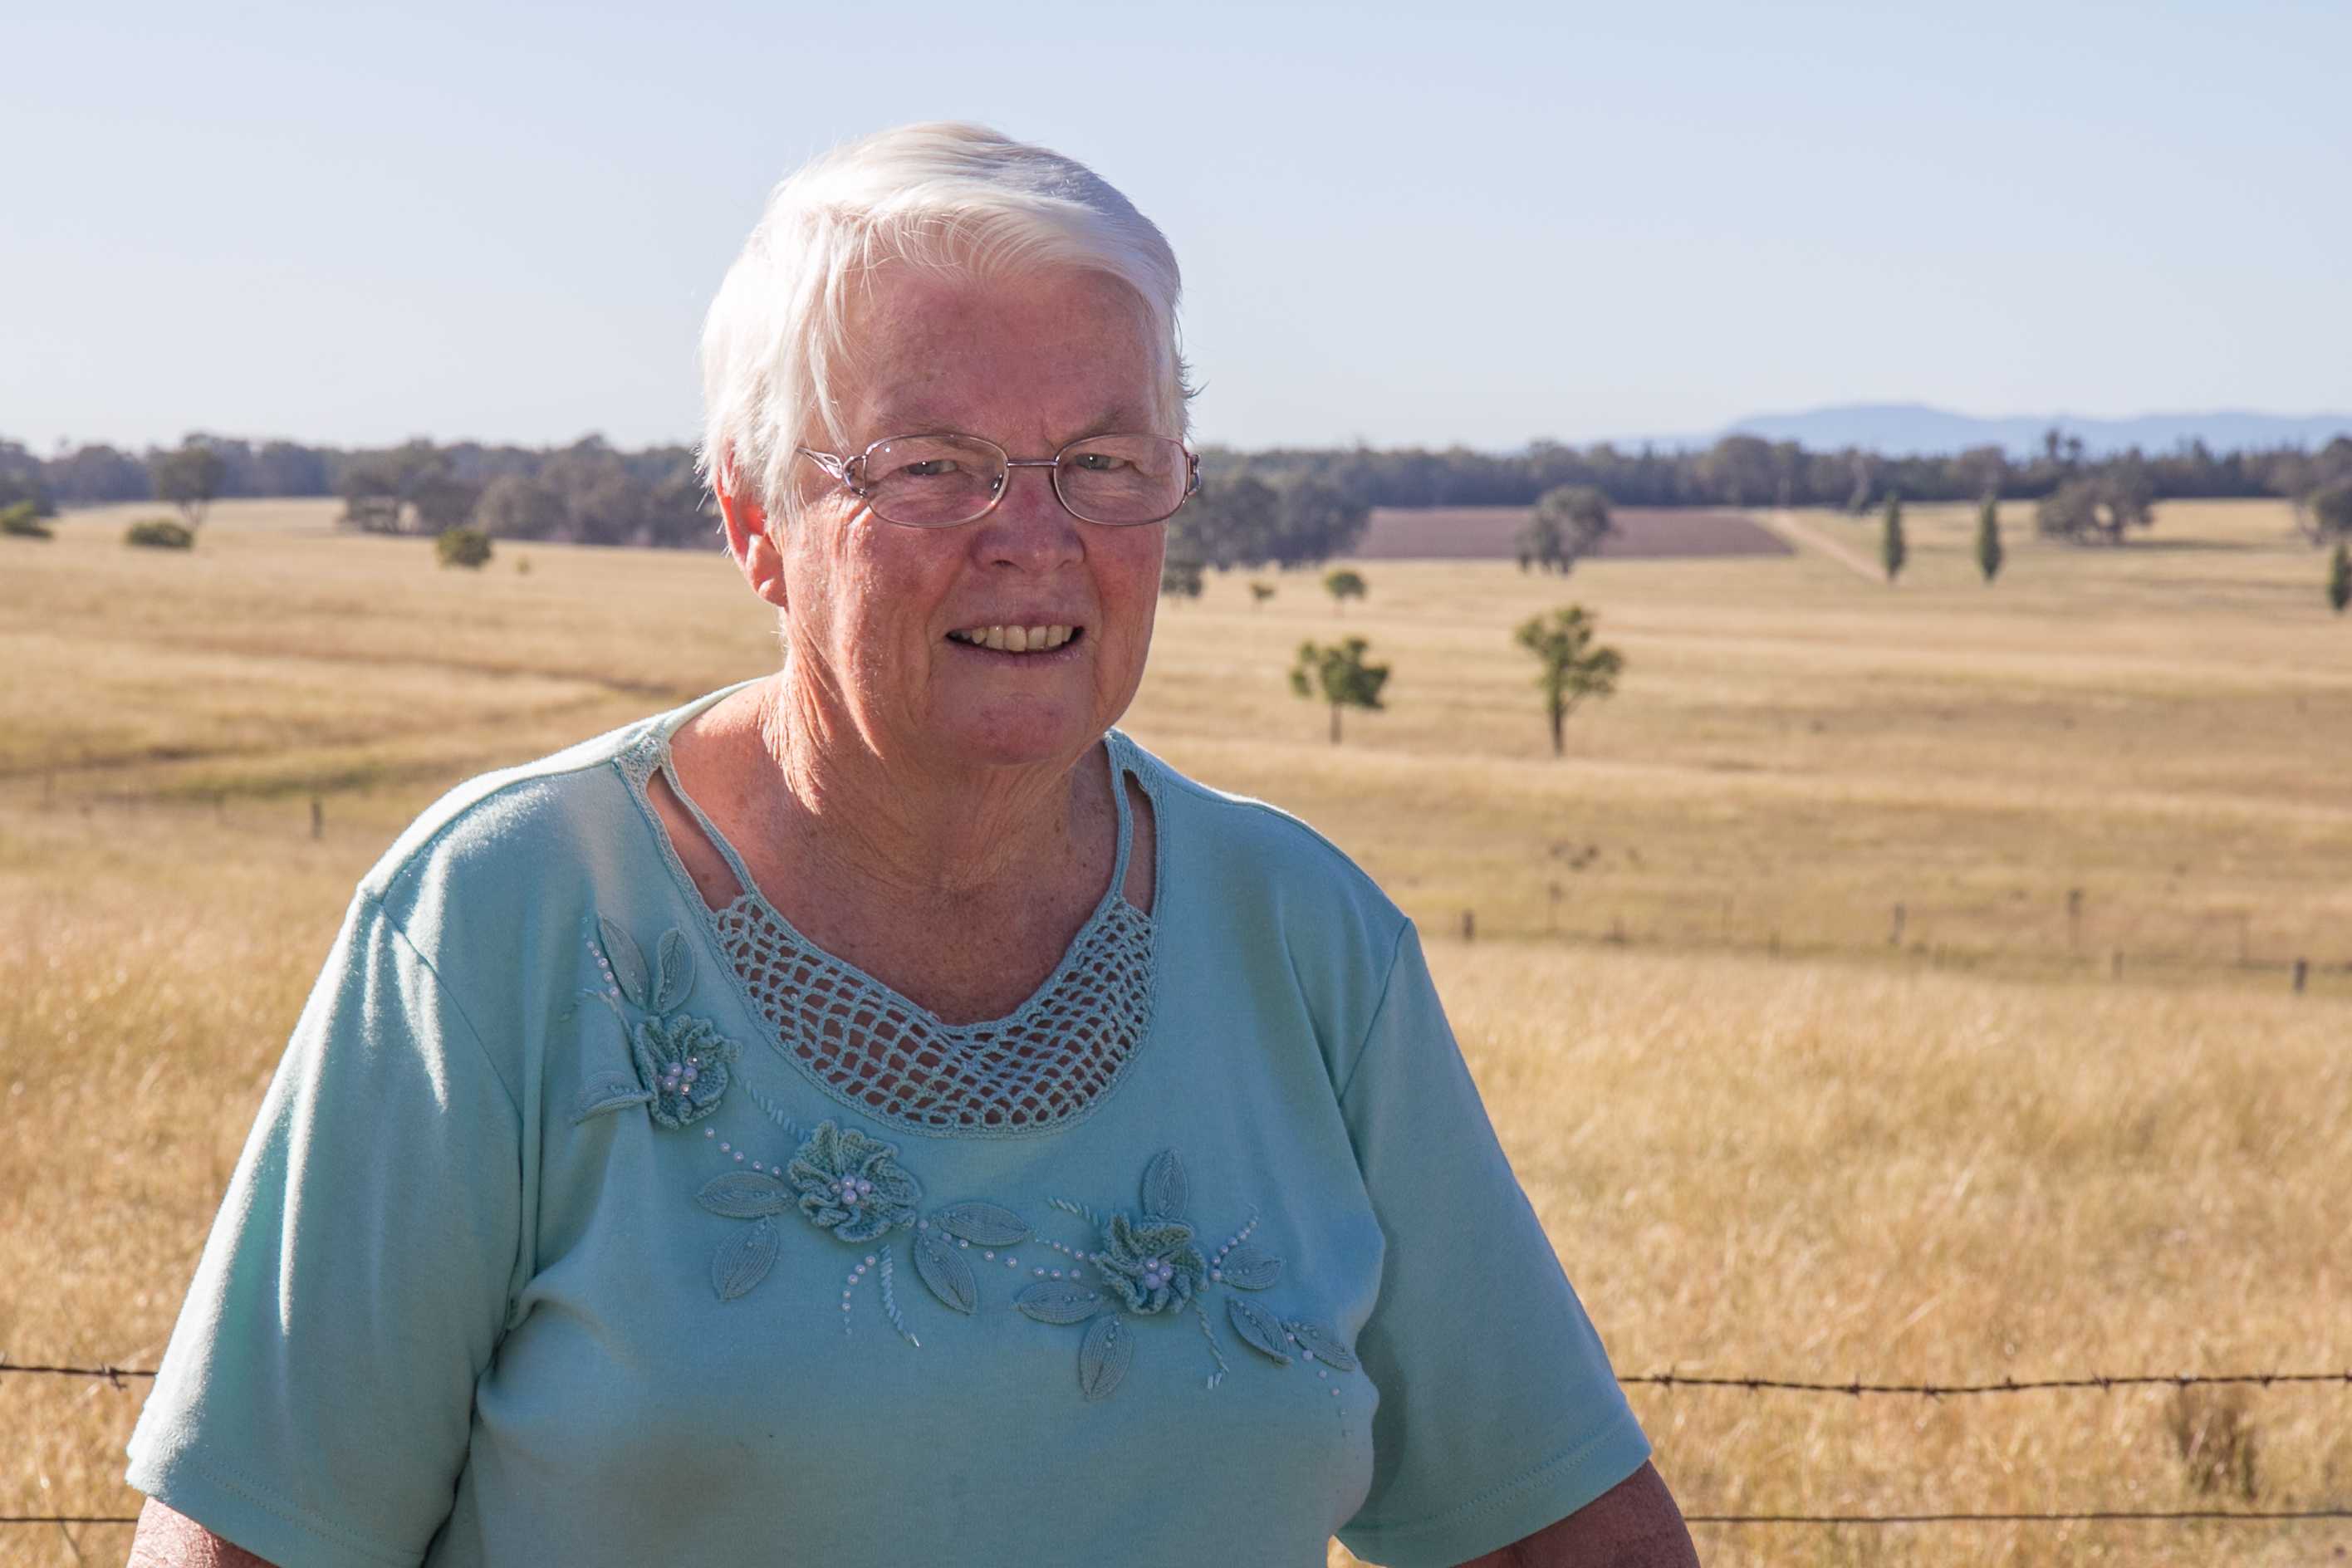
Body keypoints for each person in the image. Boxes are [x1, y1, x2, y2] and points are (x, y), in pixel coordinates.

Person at [125, 123, 1698, 1568]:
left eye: (1104, 462)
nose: (1035, 536)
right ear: (753, 518)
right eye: (931, 464)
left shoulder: (1303, 942)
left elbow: (1561, 1533)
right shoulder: (508, 918)